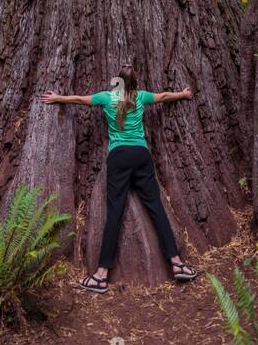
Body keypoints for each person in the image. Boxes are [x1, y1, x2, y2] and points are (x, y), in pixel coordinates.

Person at [43, 64, 197, 292]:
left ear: (117, 81)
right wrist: (184, 94)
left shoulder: (106, 98)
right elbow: (164, 96)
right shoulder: (142, 96)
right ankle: (177, 264)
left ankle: (101, 276)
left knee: (115, 213)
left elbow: (78, 99)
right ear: (135, 83)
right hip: (141, 155)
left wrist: (58, 98)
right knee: (156, 208)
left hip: (118, 157)